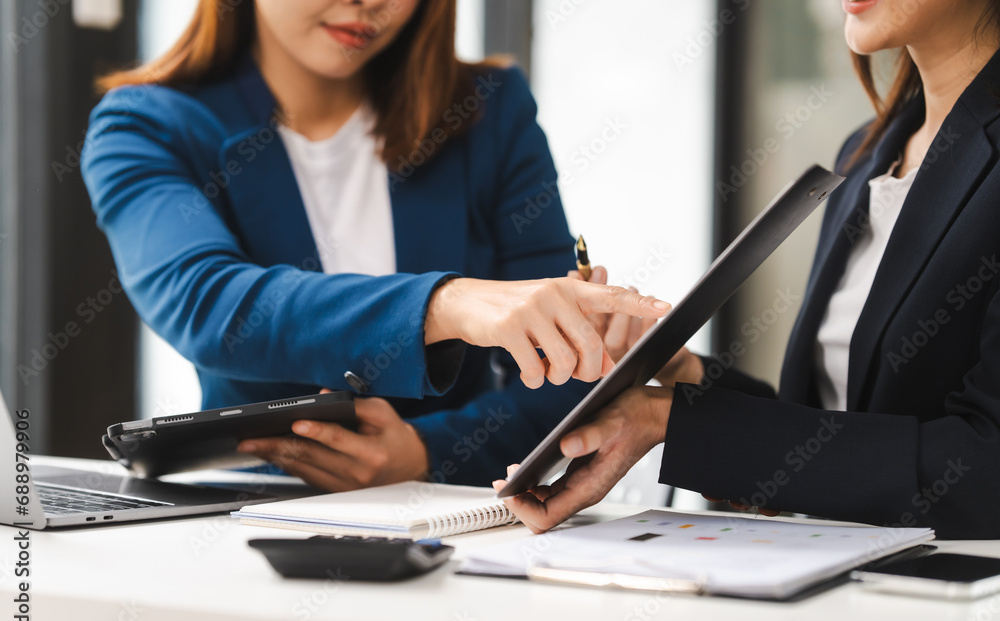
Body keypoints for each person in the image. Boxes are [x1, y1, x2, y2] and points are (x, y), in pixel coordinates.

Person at [81, 0, 668, 491]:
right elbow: (209, 303)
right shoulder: (146, 125)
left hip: (460, 526)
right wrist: (445, 304)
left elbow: (567, 376)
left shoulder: (490, 110)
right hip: (251, 522)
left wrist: (427, 452)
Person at [497, 0, 1000, 540]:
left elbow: (985, 467)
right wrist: (681, 371)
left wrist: (670, 420)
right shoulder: (868, 154)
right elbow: (827, 431)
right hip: (832, 585)